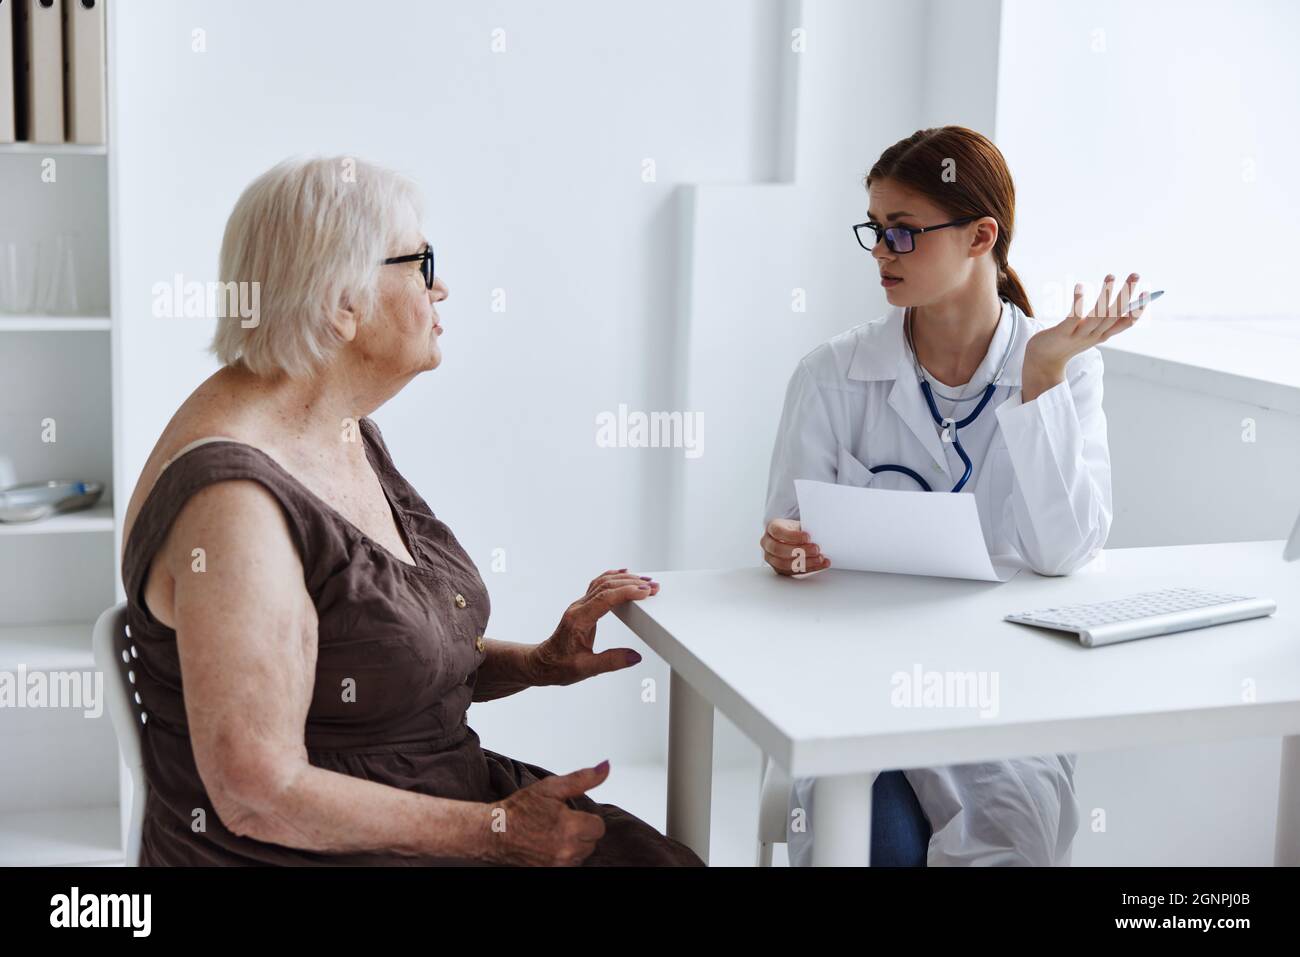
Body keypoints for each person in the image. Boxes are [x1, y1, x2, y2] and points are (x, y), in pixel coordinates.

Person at [119, 155, 703, 866]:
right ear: (342, 301)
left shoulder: (335, 426)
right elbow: (256, 790)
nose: (442, 287)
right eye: (422, 262)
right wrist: (496, 831)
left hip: (432, 803)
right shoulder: (234, 507)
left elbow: (373, 663)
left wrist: (537, 662)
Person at [760, 126, 1148, 866]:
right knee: (877, 844)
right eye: (874, 231)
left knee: (996, 844)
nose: (881, 252)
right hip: (861, 694)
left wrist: (1040, 377)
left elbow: (1063, 552)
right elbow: (790, 540)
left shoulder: (1064, 371)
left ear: (980, 236)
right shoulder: (831, 375)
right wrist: (787, 549)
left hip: (1002, 705)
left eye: (903, 233)